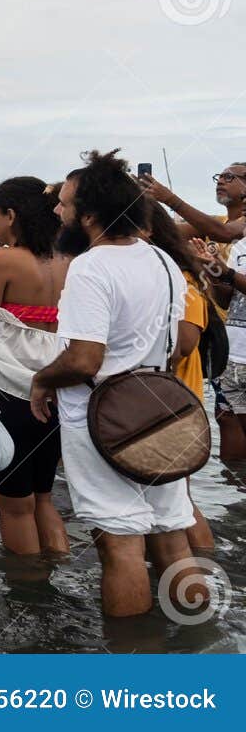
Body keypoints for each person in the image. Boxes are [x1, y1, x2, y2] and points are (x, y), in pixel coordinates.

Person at [29, 151, 194, 618]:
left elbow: (85, 359)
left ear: (90, 214)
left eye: (64, 204)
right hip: (163, 412)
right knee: (174, 540)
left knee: (120, 548)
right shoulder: (162, 260)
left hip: (102, 417)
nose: (58, 212)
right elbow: (180, 344)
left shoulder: (91, 267)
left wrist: (42, 379)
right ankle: (198, 645)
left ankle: (131, 663)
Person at [0, 176, 70, 556]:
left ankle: (29, 591)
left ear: (12, 214)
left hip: (9, 393)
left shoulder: (4, 259)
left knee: (14, 506)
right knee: (44, 497)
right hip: (58, 392)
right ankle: (58, 567)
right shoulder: (67, 259)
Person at [143, 164, 246, 460]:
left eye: (230, 177)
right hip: (226, 336)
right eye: (218, 177)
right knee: (226, 418)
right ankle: (235, 494)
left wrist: (169, 198)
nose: (220, 182)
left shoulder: (234, 226)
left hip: (230, 336)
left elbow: (223, 233)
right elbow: (164, 234)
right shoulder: (213, 222)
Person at [145, 208, 215, 552]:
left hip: (176, 403)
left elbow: (184, 343)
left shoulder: (184, 282)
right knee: (172, 499)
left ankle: (206, 564)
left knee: (180, 499)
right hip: (165, 402)